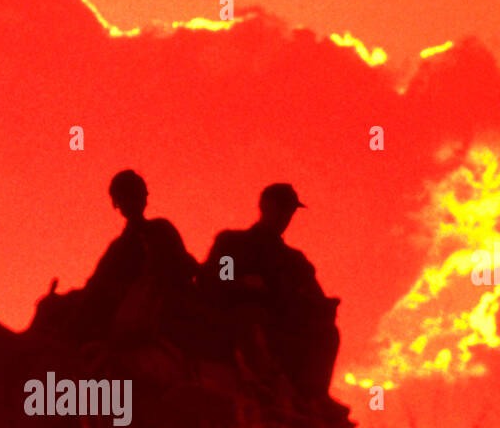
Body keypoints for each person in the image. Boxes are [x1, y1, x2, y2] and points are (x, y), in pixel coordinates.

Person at [201, 184, 340, 396]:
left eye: (289, 210)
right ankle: (259, 381)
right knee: (249, 319)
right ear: (264, 206)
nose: (285, 216)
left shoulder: (294, 260)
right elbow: (215, 280)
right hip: (244, 321)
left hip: (284, 328)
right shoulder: (234, 243)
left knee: (328, 333)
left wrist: (322, 305)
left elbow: (314, 297)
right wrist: (242, 285)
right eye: (281, 207)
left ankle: (314, 396)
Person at [78, 170, 197, 342]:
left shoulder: (159, 229)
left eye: (133, 195)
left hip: (164, 314)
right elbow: (97, 284)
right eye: (126, 197)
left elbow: (185, 267)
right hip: (130, 317)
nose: (130, 202)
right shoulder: (120, 246)